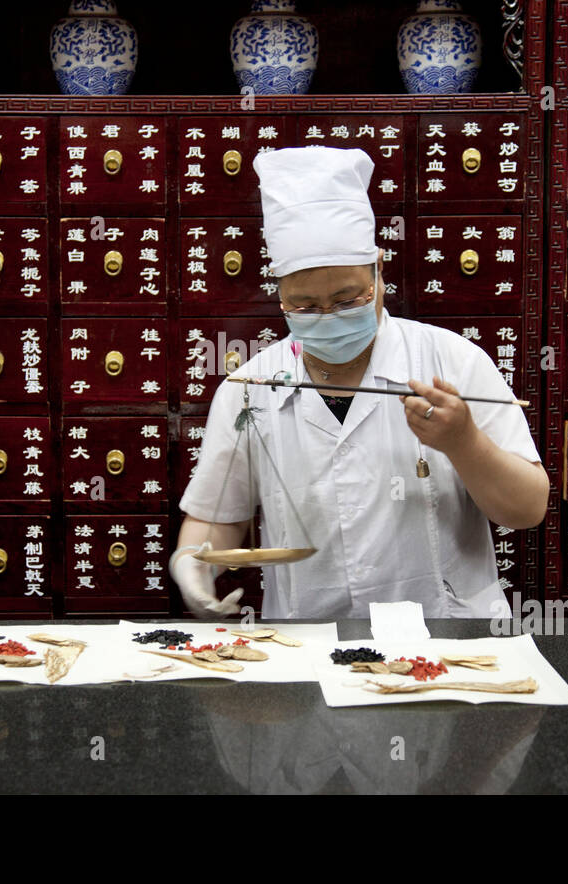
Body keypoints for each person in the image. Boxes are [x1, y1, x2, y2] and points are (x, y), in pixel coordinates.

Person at [170, 146, 548, 620]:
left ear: (379, 269)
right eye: (305, 306)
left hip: (447, 639)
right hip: (308, 645)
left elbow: (527, 509)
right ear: (280, 294)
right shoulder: (249, 388)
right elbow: (217, 515)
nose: (328, 316)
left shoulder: (452, 360)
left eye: (348, 298)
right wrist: (192, 563)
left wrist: (463, 441)